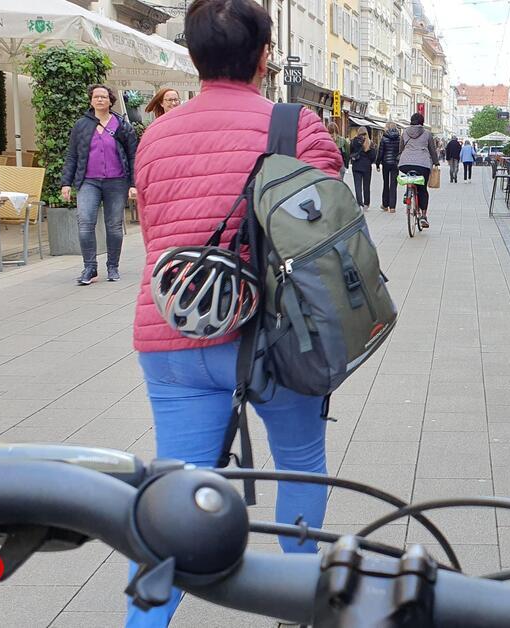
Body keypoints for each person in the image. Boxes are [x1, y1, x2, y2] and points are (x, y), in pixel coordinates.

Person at [129, 0, 342, 625]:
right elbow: (326, 233)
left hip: (174, 331)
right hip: (274, 335)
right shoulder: (298, 125)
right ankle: (300, 604)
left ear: (194, 57)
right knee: (300, 460)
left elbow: (155, 234)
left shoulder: (156, 134)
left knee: (175, 492)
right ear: (264, 56)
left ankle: (144, 620)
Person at [60, 84, 138, 285]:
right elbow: (72, 156)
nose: (100, 100)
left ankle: (113, 266)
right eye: (96, 97)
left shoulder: (121, 125)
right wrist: (66, 183)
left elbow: (133, 156)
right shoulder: (81, 125)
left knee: (113, 226)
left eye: (104, 97)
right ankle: (89, 267)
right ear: (91, 100)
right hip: (89, 181)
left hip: (117, 181)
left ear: (110, 101)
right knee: (85, 223)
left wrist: (133, 183)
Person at [398, 112, 439, 228]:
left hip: (405, 164)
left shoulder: (405, 132)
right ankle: (423, 216)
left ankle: (408, 193)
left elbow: (400, 148)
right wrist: (436, 162)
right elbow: (432, 150)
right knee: (422, 190)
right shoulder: (427, 134)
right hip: (422, 164)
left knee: (410, 177)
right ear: (422, 122)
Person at [376, 121, 401, 212]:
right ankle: (392, 207)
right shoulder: (399, 138)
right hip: (395, 164)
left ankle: (385, 204)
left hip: (386, 163)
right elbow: (400, 151)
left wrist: (378, 163)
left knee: (386, 183)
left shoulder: (384, 138)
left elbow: (380, 152)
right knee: (393, 185)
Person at [349, 126, 374, 212]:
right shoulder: (370, 143)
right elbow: (373, 157)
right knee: (366, 186)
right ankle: (366, 204)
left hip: (356, 166)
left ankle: (360, 203)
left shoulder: (354, 141)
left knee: (357, 186)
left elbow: (350, 152)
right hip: (367, 167)